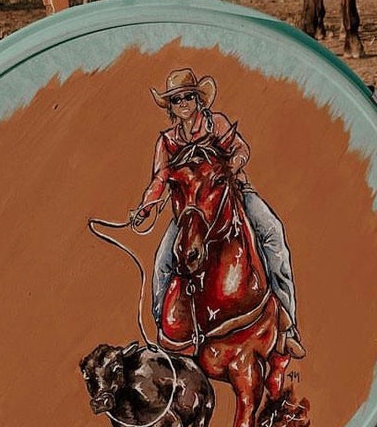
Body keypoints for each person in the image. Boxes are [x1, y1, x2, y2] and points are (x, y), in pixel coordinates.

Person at [130, 68, 306, 359]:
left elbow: (242, 149)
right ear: (170, 107)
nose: (183, 103)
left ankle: (286, 325)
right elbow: (159, 178)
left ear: (199, 100)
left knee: (273, 233)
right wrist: (146, 206)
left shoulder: (217, 124)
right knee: (163, 260)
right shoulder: (167, 141)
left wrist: (231, 168)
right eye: (176, 100)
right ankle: (165, 329)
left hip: (230, 195)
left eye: (188, 97)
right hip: (190, 211)